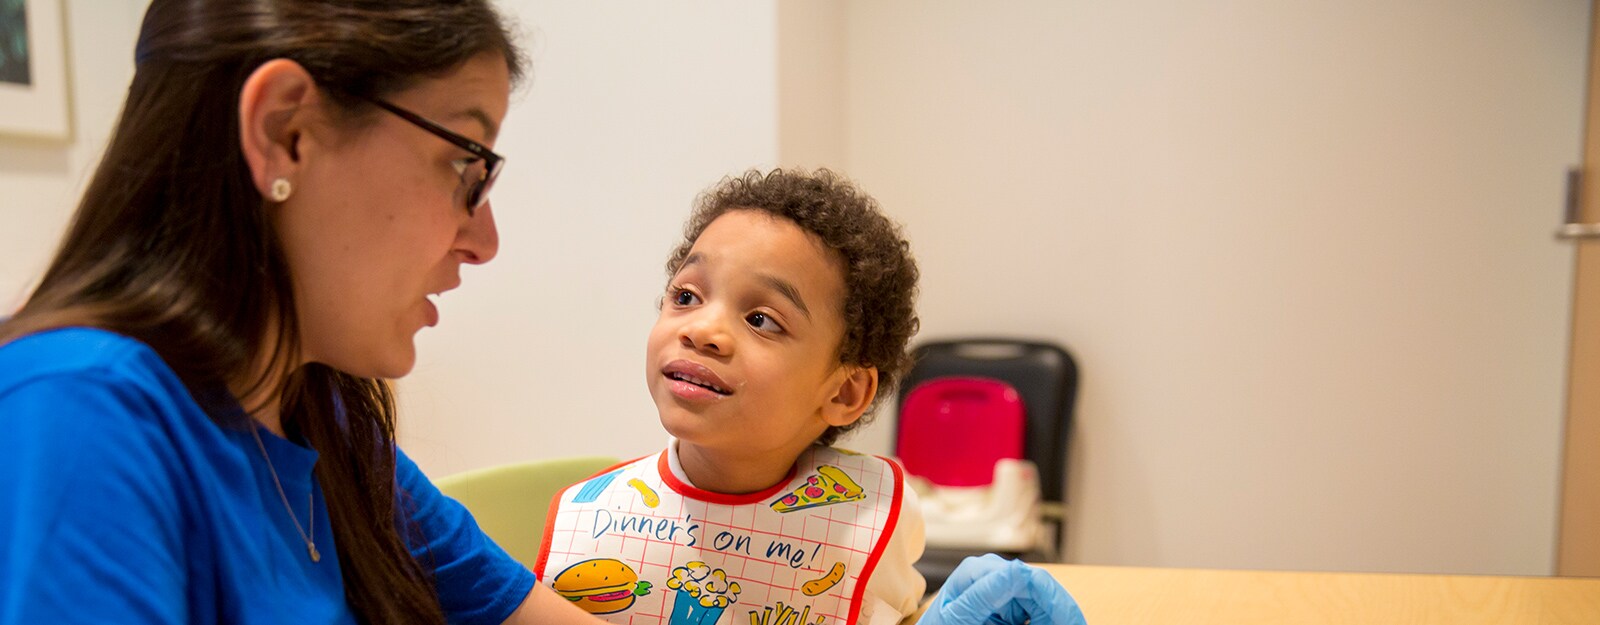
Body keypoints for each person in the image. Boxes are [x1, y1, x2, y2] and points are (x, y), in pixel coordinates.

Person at [0, 1, 1085, 624]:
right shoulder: (84, 419)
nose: (485, 237)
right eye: (466, 164)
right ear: (287, 132)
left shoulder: (326, 426)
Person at [535, 170, 926, 625]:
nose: (701, 330)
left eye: (761, 320)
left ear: (843, 391)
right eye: (686, 295)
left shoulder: (869, 515)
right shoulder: (592, 520)